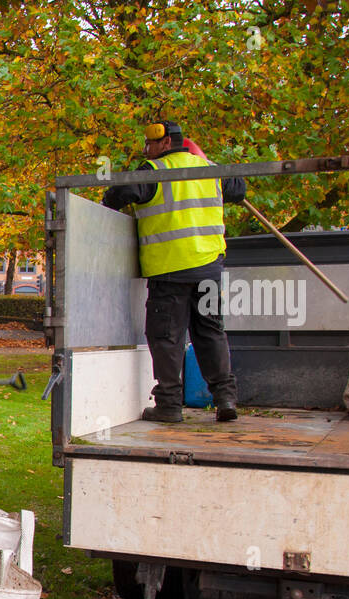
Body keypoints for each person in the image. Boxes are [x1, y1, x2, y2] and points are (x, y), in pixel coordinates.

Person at [102, 121, 246, 422]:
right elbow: (238, 188)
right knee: (211, 332)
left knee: (167, 337)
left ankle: (168, 405)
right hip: (209, 268)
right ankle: (225, 398)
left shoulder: (152, 171)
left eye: (150, 145)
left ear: (166, 143)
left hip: (170, 271)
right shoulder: (210, 169)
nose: (147, 151)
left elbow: (115, 195)